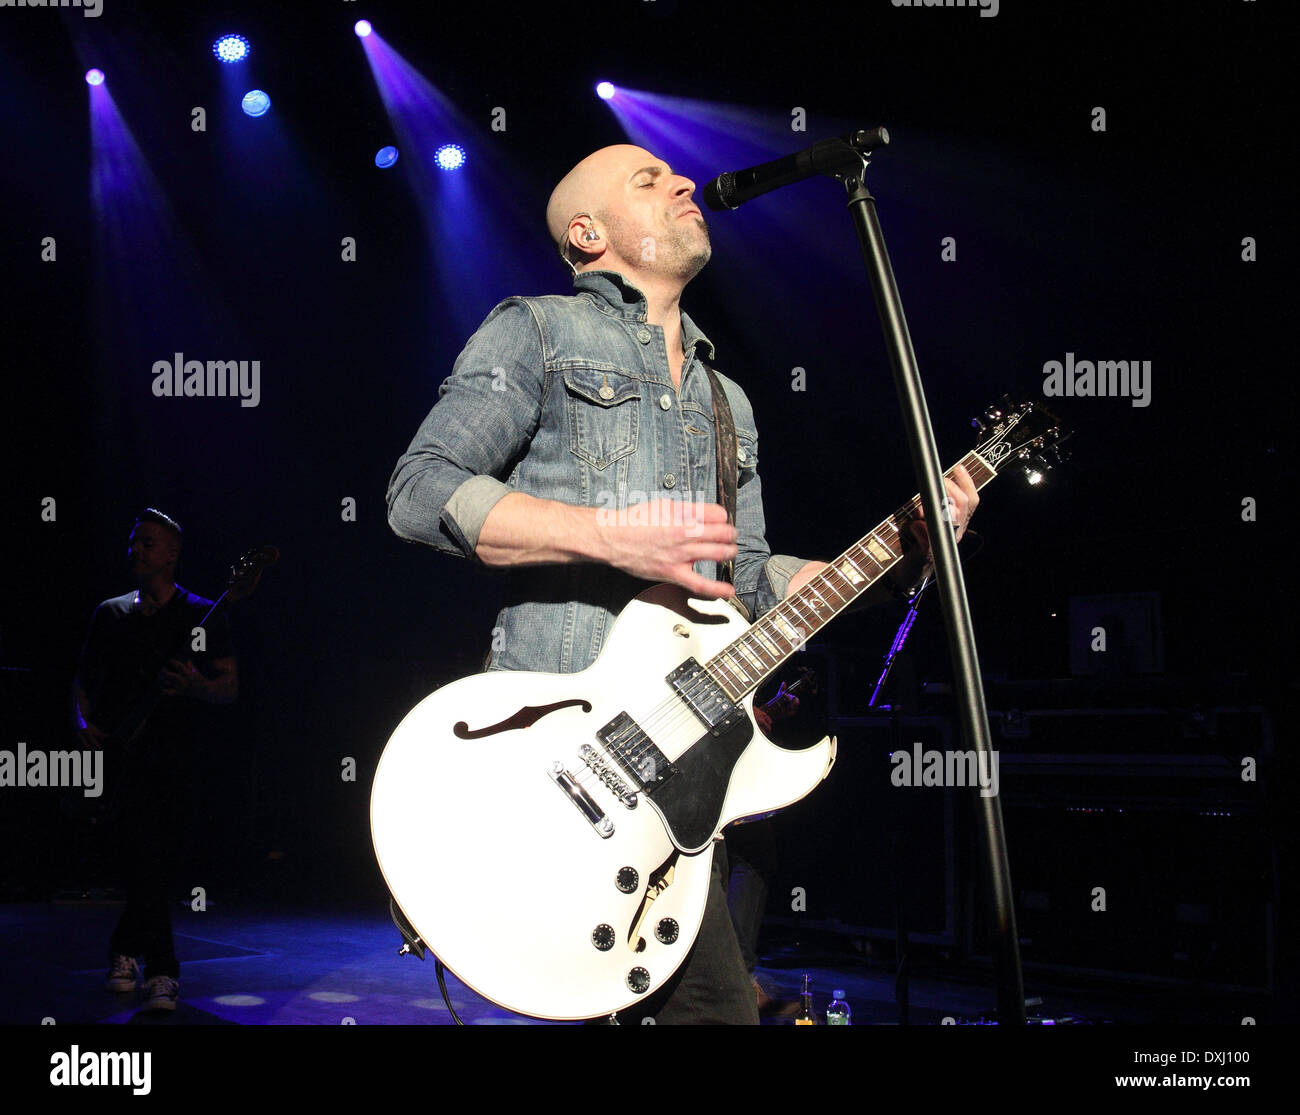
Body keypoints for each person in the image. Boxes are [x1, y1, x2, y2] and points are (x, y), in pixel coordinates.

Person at [386, 144, 978, 1023]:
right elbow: (419, 490)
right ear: (586, 233)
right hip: (557, 754)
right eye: (647, 180)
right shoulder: (539, 330)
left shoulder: (725, 400)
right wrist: (612, 537)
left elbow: (748, 580)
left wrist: (905, 552)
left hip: (683, 782)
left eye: (676, 175)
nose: (683, 184)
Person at [72, 509, 237, 1012]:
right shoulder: (110, 613)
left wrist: (196, 687)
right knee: (143, 856)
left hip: (179, 758)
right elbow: (82, 682)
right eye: (132, 542)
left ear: (171, 554)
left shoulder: (202, 614)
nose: (136, 550)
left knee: (158, 864)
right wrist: (82, 727)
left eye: (147, 543)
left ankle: (124, 951)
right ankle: (163, 970)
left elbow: (229, 687)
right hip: (123, 757)